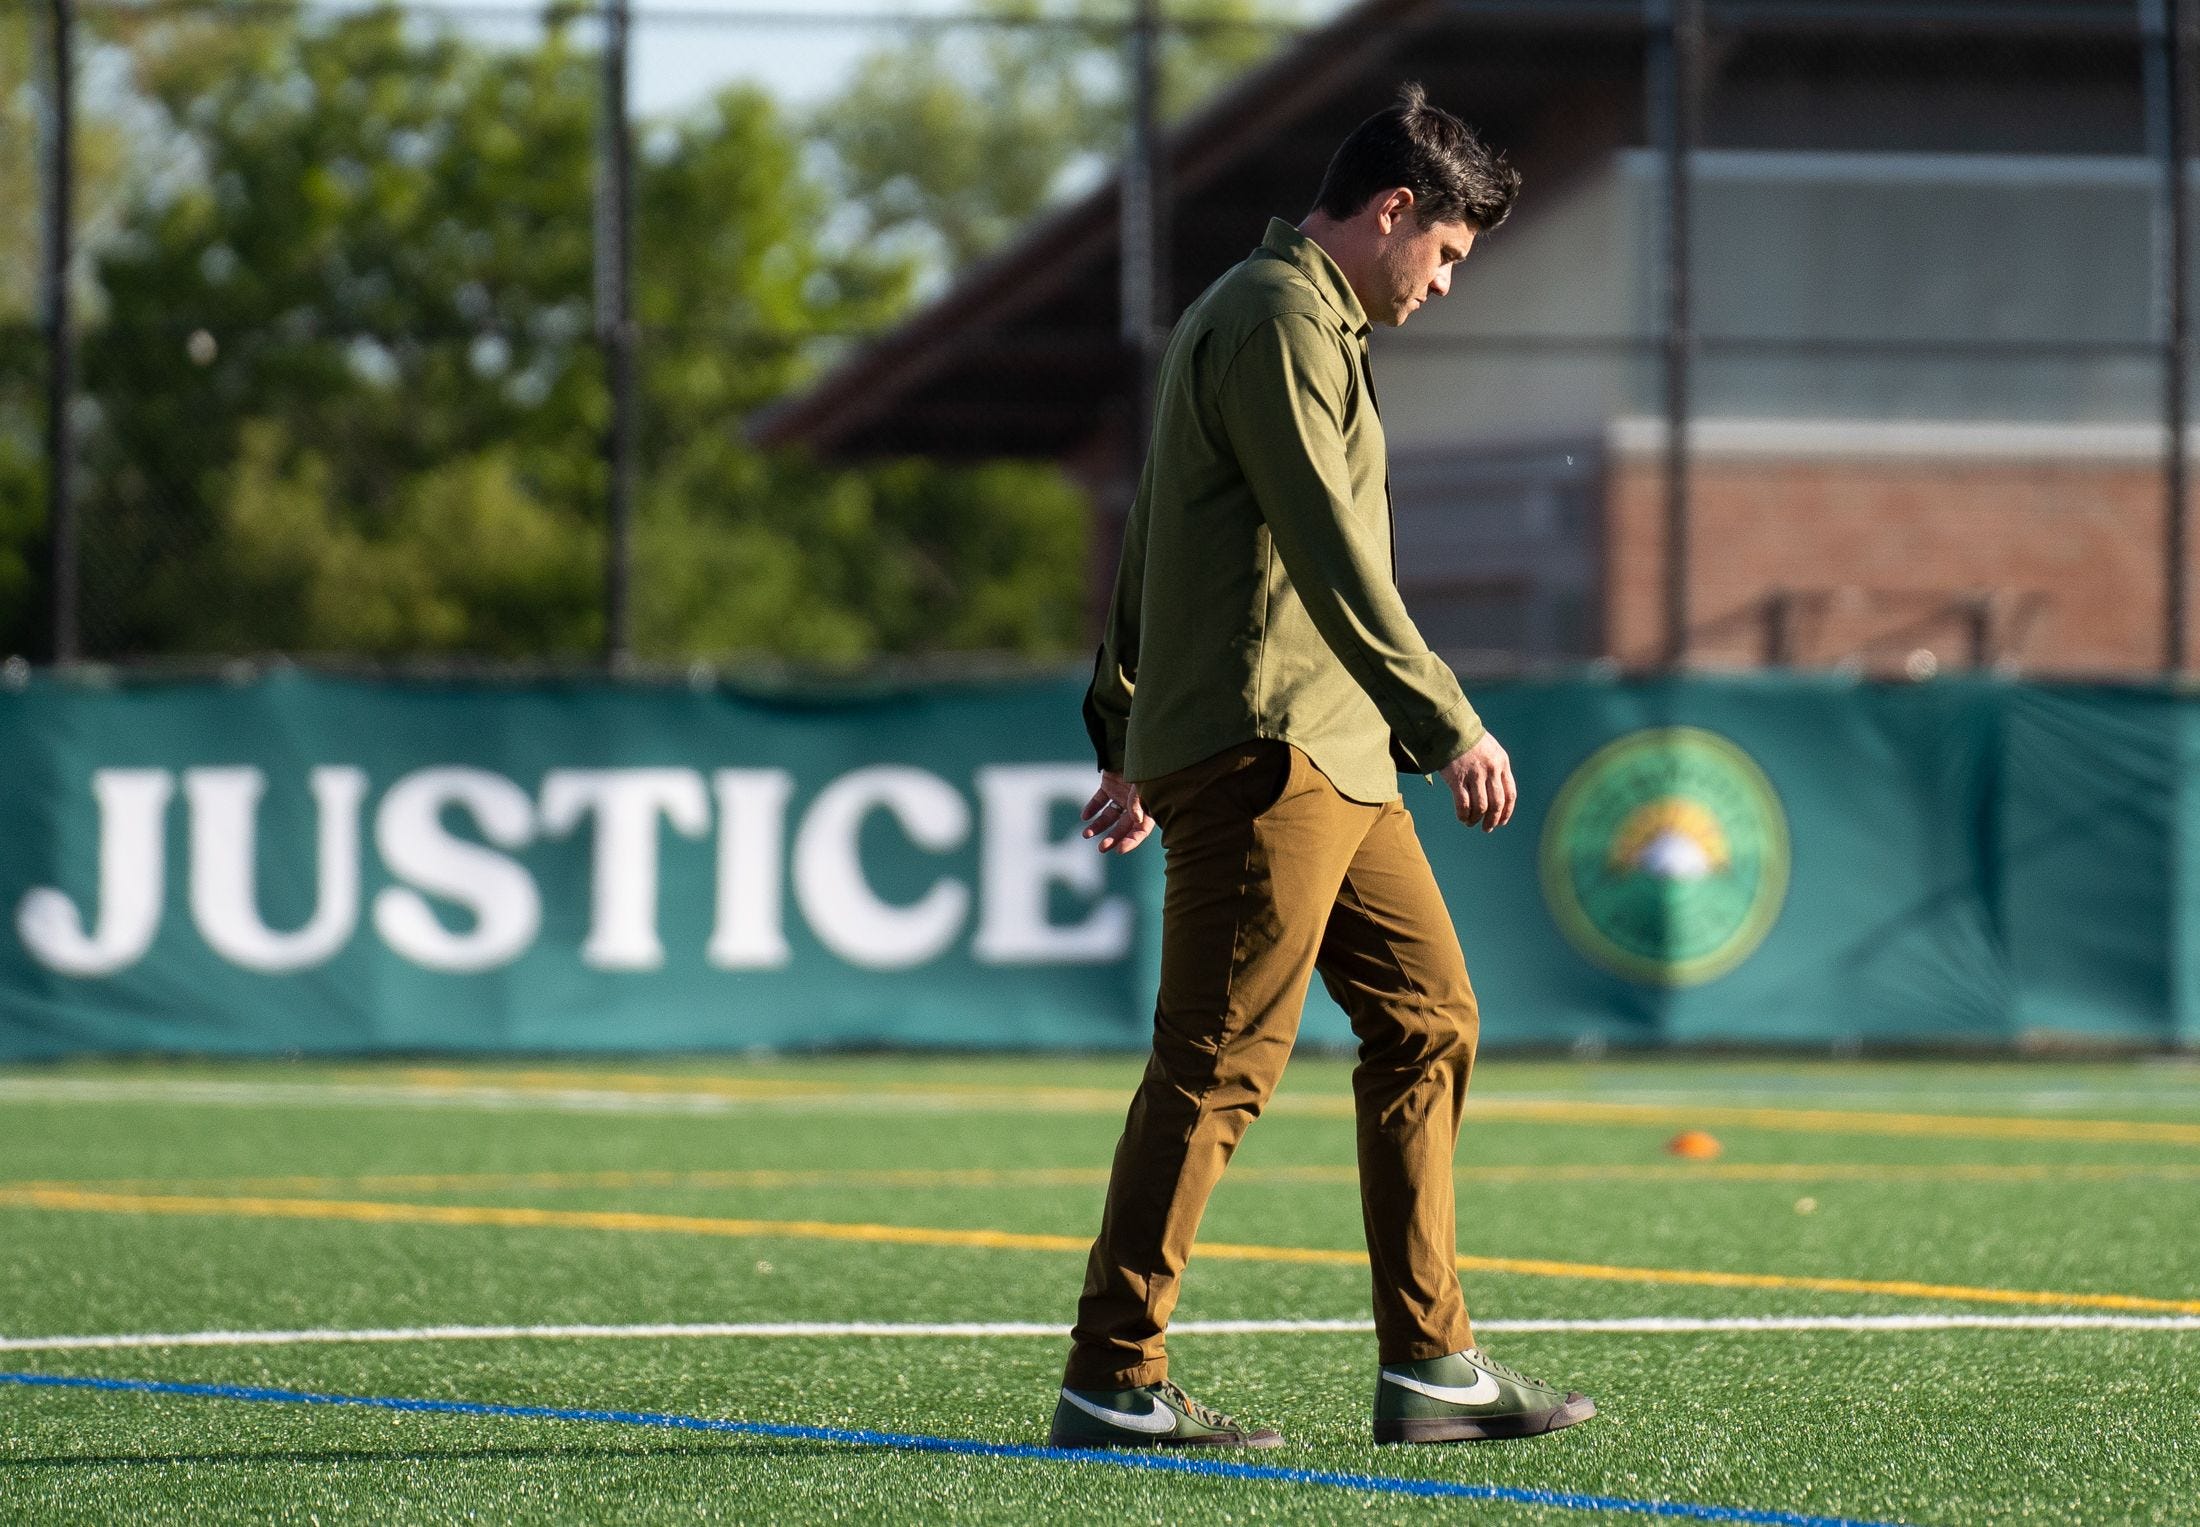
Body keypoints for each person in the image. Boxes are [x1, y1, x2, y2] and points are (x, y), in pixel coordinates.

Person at [1047, 83, 1596, 1451]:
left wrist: (1123, 725)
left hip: (1326, 752)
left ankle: (1432, 1365)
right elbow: (1327, 550)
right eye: (1450, 254)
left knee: (1429, 1020)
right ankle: (1112, 1376)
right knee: (1219, 1060)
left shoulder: (1280, 317)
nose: (1449, 284)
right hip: (1270, 746)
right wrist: (1447, 717)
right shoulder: (1278, 317)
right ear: (1394, 209)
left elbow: (1155, 537)